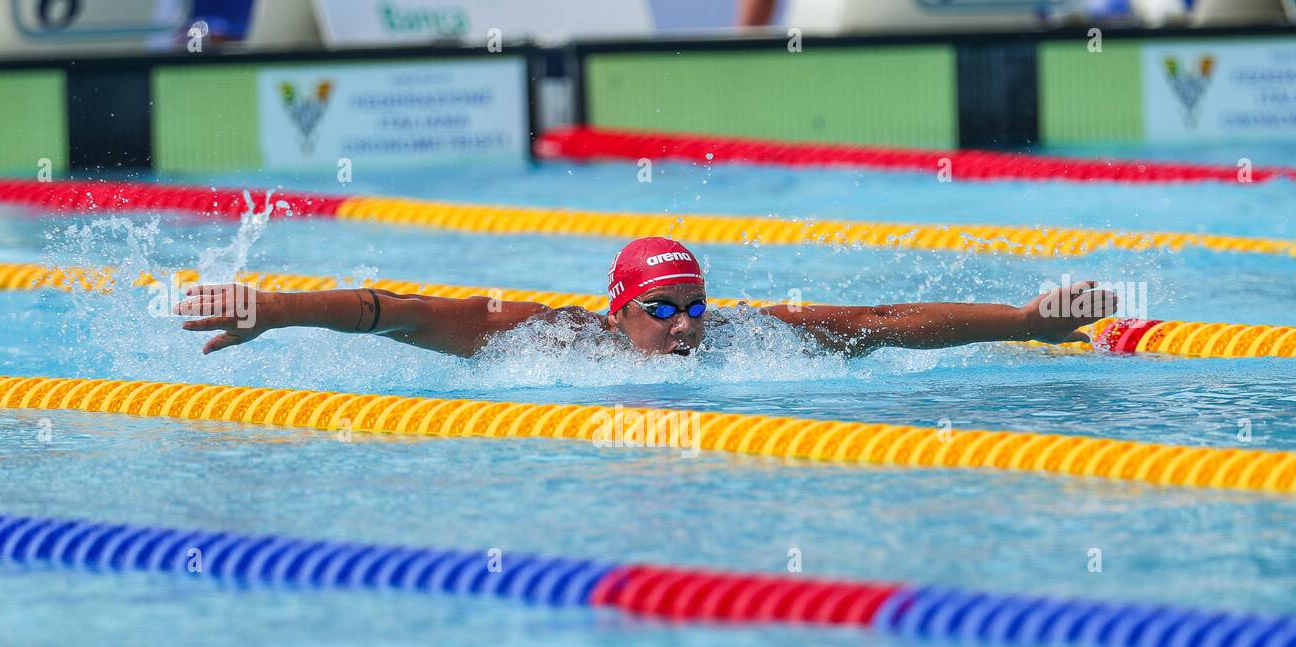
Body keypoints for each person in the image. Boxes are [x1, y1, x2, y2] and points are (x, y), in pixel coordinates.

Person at [175, 236, 1116, 358]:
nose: (687, 325)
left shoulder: (749, 339)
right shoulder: (545, 340)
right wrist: (283, 307)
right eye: (663, 310)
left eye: (695, 304)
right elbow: (399, 308)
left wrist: (1033, 321)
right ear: (618, 310)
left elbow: (883, 323)